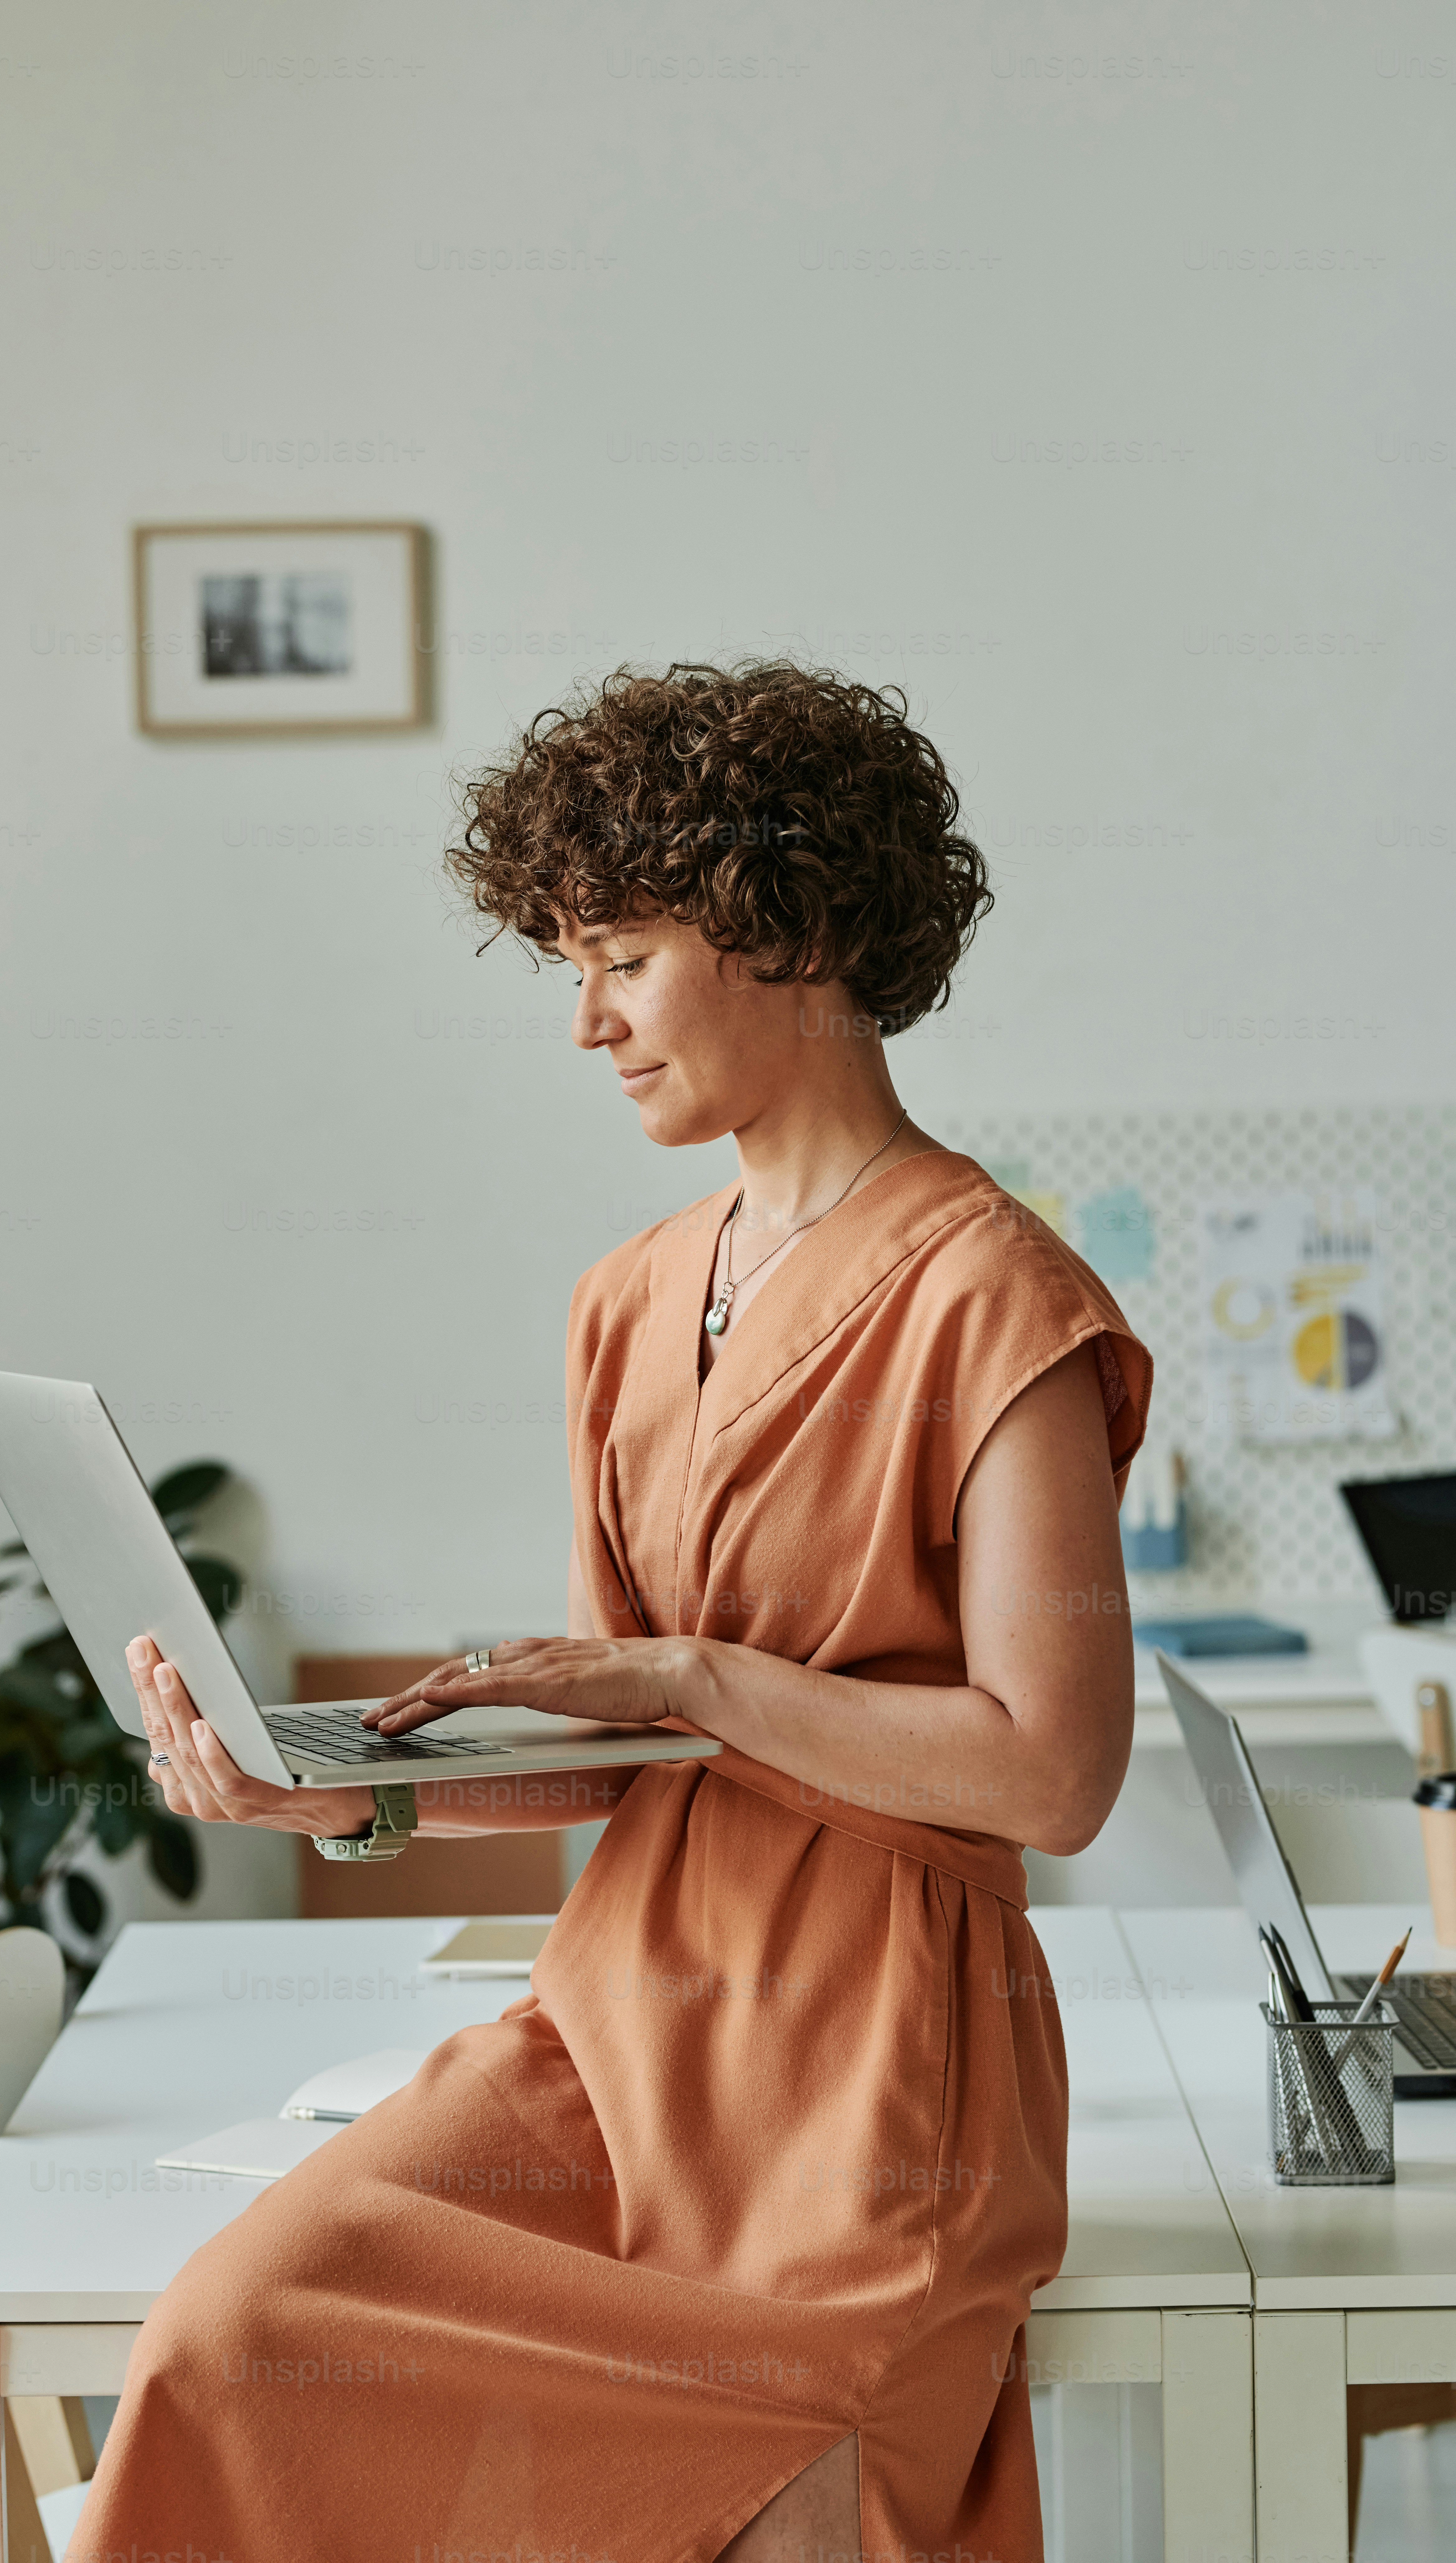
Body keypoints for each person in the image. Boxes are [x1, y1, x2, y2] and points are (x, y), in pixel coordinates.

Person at [72, 663, 1151, 2563]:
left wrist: (692, 1672)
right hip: (608, 2036)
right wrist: (346, 1799)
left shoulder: (999, 1299)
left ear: (790, 932)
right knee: (237, 2335)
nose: (585, 1025)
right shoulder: (628, 1298)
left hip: (876, 2067)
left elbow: (1053, 1774)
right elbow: (630, 1760)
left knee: (783, 2496)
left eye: (621, 960)